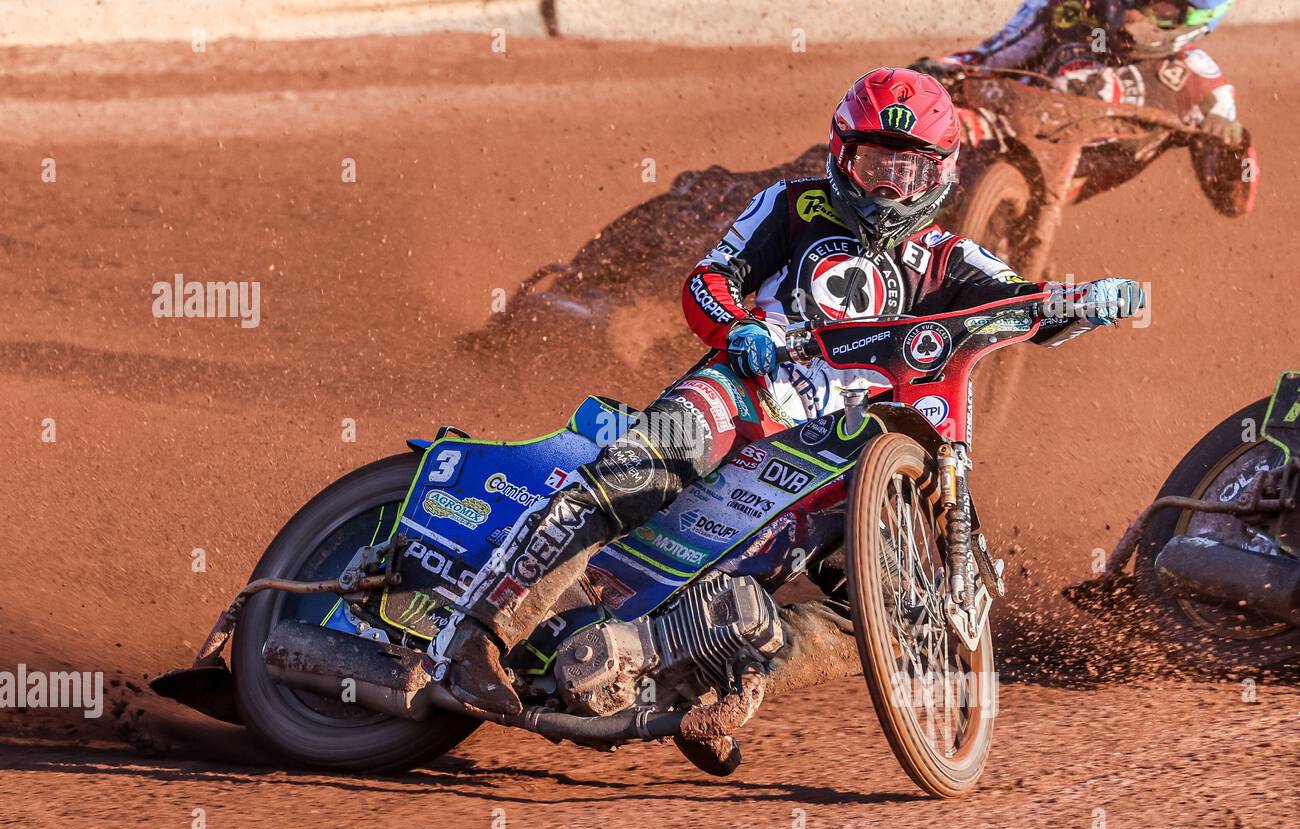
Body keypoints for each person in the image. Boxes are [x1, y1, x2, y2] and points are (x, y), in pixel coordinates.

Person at [429, 67, 1145, 723]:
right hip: (744, 394)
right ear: (842, 156)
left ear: (942, 176)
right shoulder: (791, 206)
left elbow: (1020, 303)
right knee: (646, 463)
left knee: (878, 608)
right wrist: (738, 326)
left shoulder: (951, 260)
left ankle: (725, 679)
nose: (886, 190)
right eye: (873, 167)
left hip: (838, 464)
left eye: (908, 172)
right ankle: (481, 630)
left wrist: (1087, 298)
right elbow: (708, 280)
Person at [912, 0, 1256, 216]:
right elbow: (986, 58)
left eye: (1160, 4)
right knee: (920, 128)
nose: (1136, 10)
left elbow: (1235, 202)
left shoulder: (1202, 85)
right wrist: (940, 68)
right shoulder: (1067, 10)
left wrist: (1234, 147)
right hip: (999, 121)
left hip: (1069, 174)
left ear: (1194, 20)